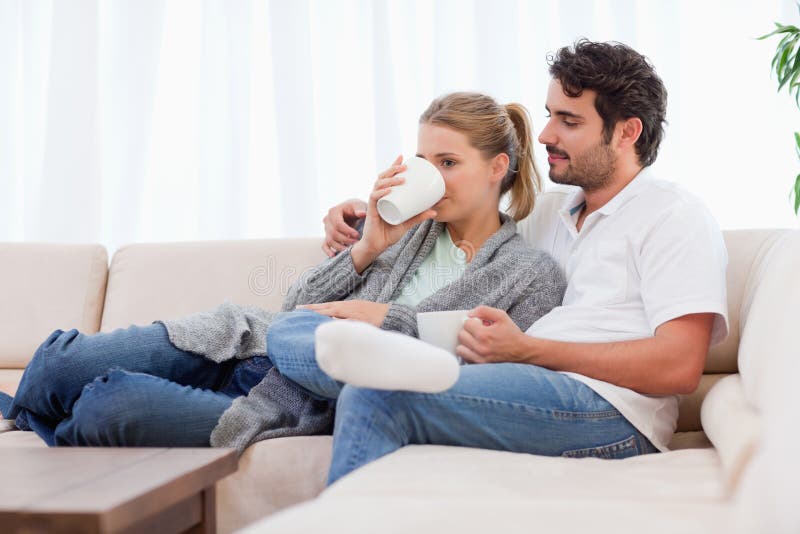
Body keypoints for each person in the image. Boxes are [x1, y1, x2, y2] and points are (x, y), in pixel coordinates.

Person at [0, 92, 566, 451]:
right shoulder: (403, 228)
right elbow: (295, 305)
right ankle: (26, 409)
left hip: (293, 397)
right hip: (241, 339)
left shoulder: (530, 273)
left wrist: (381, 315)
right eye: (425, 162)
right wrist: (368, 247)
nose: (433, 177)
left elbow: (472, 372)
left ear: (497, 168)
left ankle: (24, 415)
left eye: (449, 163)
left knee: (108, 404)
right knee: (57, 364)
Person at [321, 39, 728, 485]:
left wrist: (530, 350)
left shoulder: (674, 216)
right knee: (361, 378)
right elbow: (469, 208)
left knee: (377, 394)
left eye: (569, 121)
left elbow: (680, 366)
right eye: (551, 114)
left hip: (610, 411)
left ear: (627, 132)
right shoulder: (552, 212)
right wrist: (361, 215)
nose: (546, 134)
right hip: (532, 384)